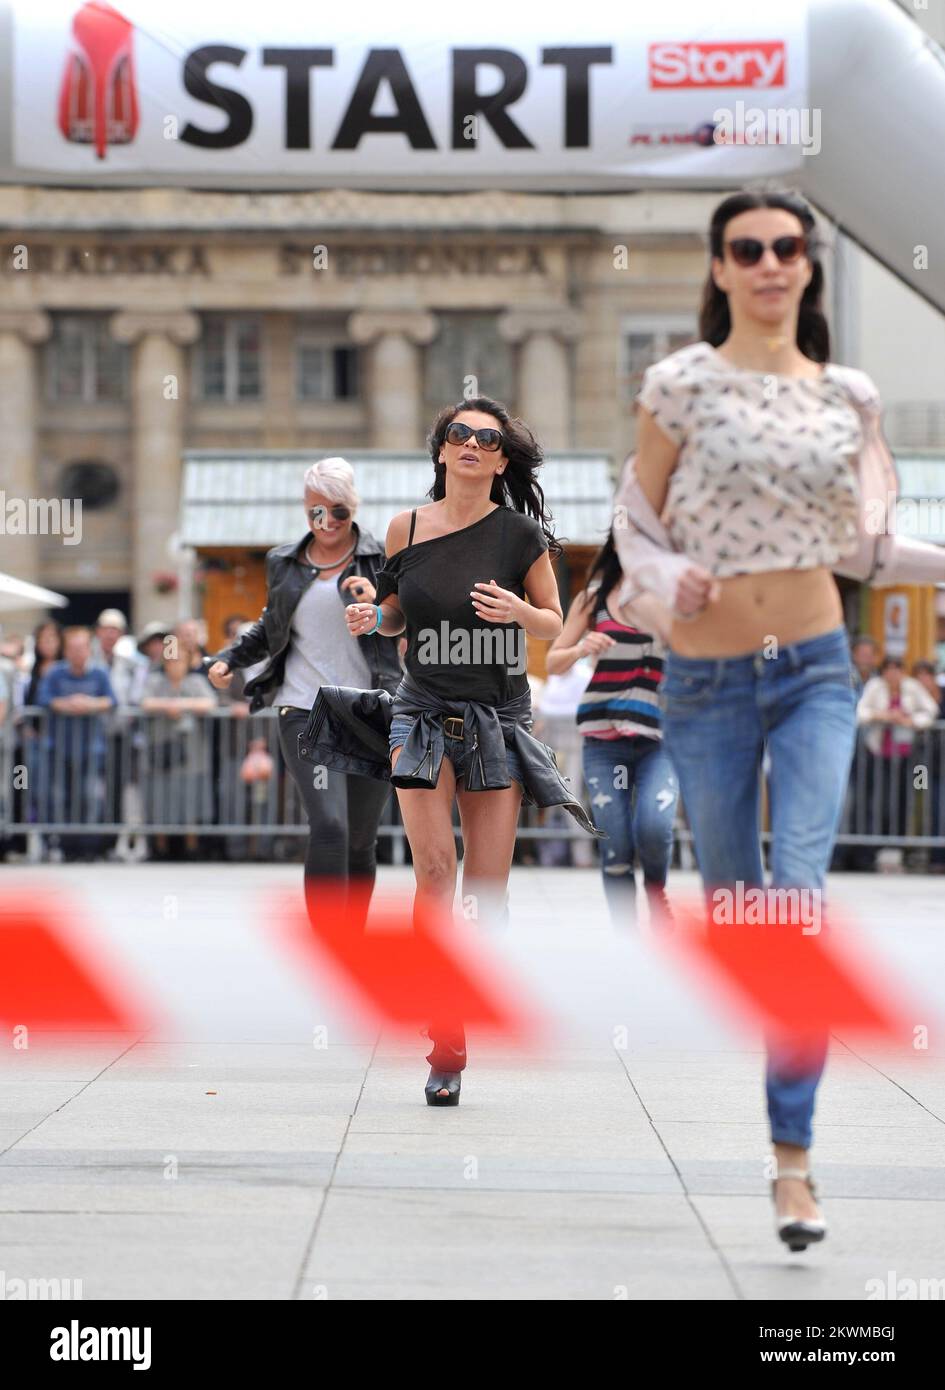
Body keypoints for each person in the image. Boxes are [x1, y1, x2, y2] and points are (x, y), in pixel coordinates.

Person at [613, 185, 945, 1251]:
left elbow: (868, 547)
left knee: (798, 905)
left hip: (810, 671)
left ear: (807, 266)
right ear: (718, 268)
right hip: (706, 686)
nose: (768, 263)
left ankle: (793, 1165)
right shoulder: (678, 384)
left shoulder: (849, 395)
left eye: (786, 248)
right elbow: (633, 528)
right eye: (746, 248)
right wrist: (666, 577)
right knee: (747, 912)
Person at [338, 397, 601, 1107]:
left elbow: (555, 623)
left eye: (487, 440)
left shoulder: (522, 536)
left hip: (497, 715)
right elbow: (395, 609)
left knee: (485, 891)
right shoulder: (405, 527)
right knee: (432, 872)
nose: (472, 447)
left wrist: (520, 613)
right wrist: (374, 614)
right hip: (419, 709)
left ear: (502, 459)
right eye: (460, 435)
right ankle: (442, 1035)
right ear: (440, 450)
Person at [206, 457, 403, 913]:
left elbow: (408, 617)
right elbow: (269, 626)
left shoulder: (381, 558)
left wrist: (378, 604)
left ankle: (352, 945)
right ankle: (329, 942)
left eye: (339, 511)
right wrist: (230, 659)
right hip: (304, 710)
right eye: (318, 511)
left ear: (353, 509)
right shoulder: (284, 561)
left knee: (359, 839)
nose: (328, 521)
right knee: (330, 826)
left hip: (370, 709)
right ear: (305, 509)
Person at [547, 528, 677, 927]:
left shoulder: (673, 597)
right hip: (603, 740)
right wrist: (581, 648)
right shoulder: (594, 598)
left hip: (660, 738)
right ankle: (625, 935)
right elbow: (553, 662)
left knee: (655, 827)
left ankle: (656, 891)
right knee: (616, 841)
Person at [36, 627, 117, 861]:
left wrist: (90, 704)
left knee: (89, 797)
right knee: (59, 797)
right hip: (58, 747)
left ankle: (88, 847)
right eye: (72, 648)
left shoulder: (99, 674)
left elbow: (112, 700)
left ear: (89, 649)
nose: (77, 653)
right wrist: (66, 704)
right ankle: (63, 844)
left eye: (81, 648)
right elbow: (43, 699)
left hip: (91, 747)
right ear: (66, 650)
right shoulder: (55, 673)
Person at [857, 657, 939, 862]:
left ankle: (900, 848)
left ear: (902, 672)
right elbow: (860, 712)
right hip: (877, 755)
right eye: (889, 670)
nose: (893, 674)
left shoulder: (912, 687)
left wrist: (910, 720)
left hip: (907, 757)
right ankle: (871, 850)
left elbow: (930, 711)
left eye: (897, 670)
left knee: (904, 800)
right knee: (878, 802)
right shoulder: (875, 687)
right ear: (883, 672)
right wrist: (882, 716)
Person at [140, 649, 217, 860]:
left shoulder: (196, 682)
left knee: (190, 799)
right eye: (171, 662)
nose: (175, 666)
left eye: (179, 661)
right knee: (160, 799)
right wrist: (167, 707)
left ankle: (191, 847)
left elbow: (210, 703)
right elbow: (145, 702)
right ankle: (160, 848)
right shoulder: (155, 681)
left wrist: (181, 705)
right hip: (160, 750)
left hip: (192, 753)